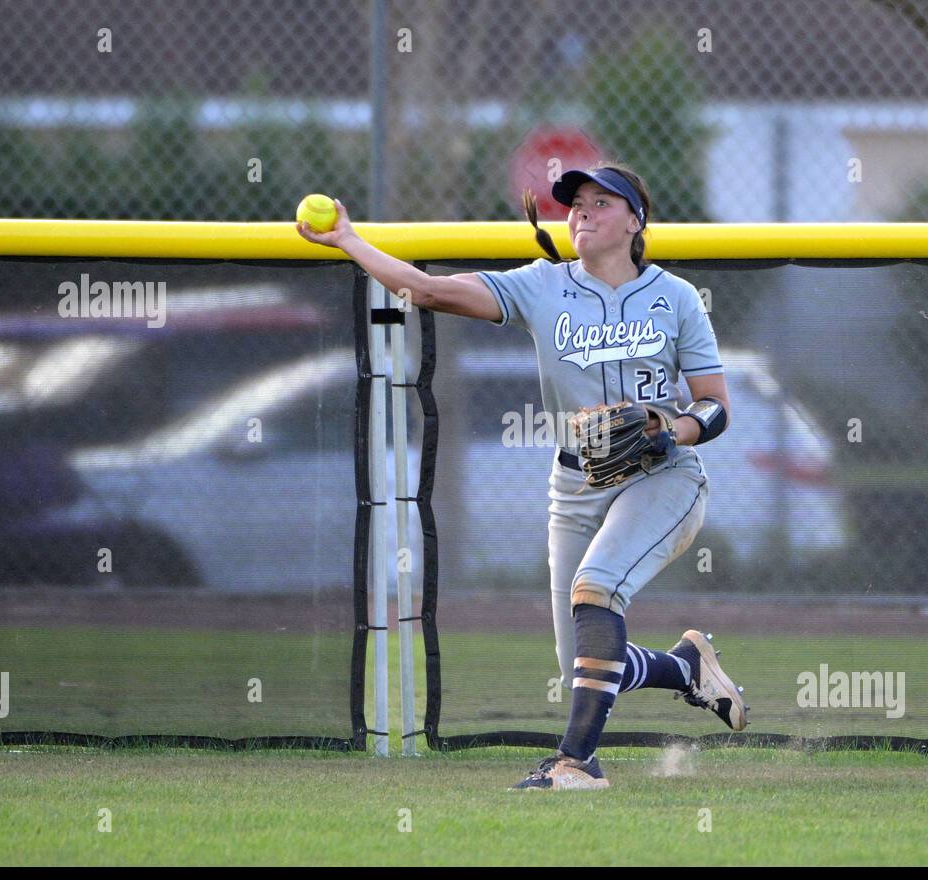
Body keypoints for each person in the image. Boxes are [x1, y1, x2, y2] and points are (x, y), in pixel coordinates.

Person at [298, 162, 748, 790]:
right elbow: (429, 291)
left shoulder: (674, 298)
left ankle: (576, 765)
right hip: (575, 484)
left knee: (595, 589)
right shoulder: (542, 285)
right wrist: (349, 239)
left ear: (635, 220)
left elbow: (716, 403)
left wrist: (673, 428)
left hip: (664, 477)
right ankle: (687, 670)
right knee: (583, 664)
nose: (582, 212)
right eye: (575, 203)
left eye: (600, 202)